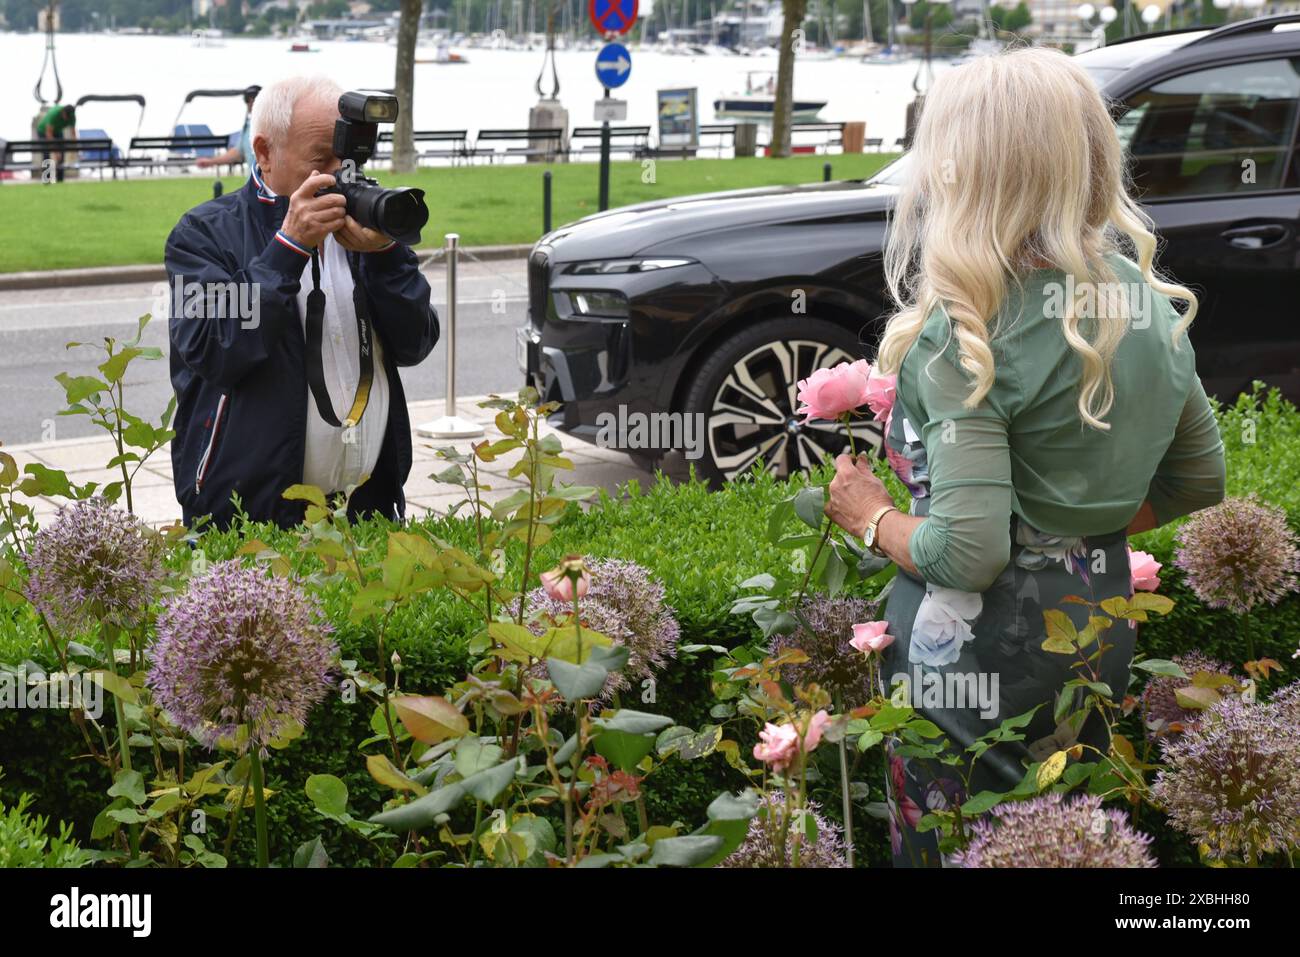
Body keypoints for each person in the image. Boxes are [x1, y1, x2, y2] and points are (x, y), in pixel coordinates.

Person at [821, 48, 1226, 867]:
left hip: (970, 666)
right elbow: (1199, 480)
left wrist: (871, 519)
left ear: (966, 172)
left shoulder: (967, 334)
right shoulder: (1143, 307)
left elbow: (967, 554)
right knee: (1068, 841)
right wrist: (1071, 539)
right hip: (1091, 631)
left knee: (963, 843)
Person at [164, 76, 438, 530]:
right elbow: (216, 350)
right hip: (250, 517)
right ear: (265, 152)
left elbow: (416, 342)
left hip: (367, 510)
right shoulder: (203, 234)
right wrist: (287, 248)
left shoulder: (360, 225)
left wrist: (387, 257)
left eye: (345, 158)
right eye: (320, 159)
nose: (336, 174)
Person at [196, 85, 260, 171]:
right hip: (254, 182)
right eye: (248, 100)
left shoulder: (274, 125)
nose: (251, 103)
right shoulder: (247, 127)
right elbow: (236, 152)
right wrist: (210, 161)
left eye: (255, 99)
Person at [34, 103, 75, 182]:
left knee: (62, 153)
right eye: (66, 116)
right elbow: (48, 134)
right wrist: (56, 152)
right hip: (43, 132)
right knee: (46, 155)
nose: (66, 119)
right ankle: (47, 179)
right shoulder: (54, 114)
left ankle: (60, 179)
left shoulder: (72, 116)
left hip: (57, 131)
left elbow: (73, 133)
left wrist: (75, 148)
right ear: (63, 112)